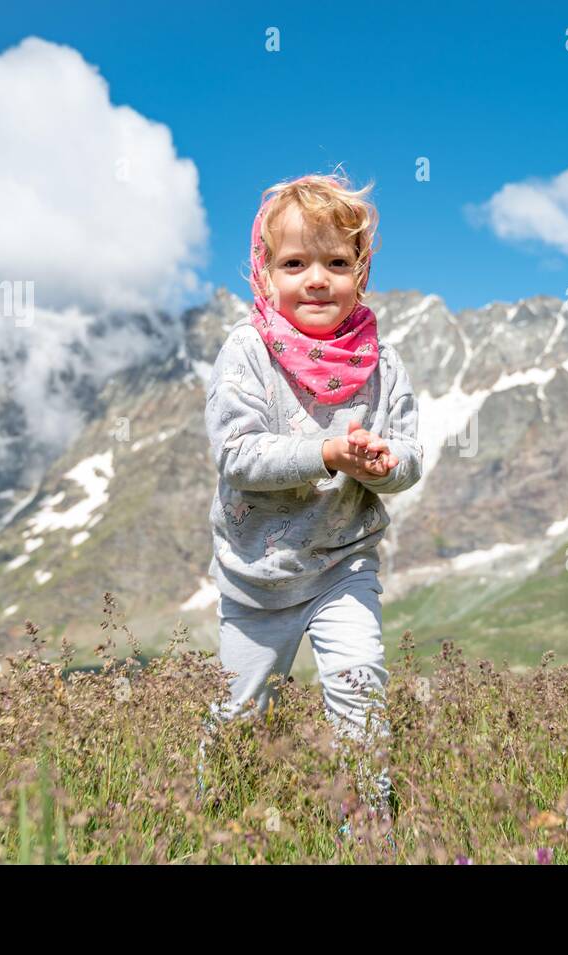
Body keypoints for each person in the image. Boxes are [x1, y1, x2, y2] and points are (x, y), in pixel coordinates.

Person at [199, 171, 422, 841]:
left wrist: (382, 464)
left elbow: (409, 455)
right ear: (263, 275)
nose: (316, 278)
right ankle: (214, 825)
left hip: (342, 565)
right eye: (295, 263)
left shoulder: (383, 364)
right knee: (240, 716)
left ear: (362, 271)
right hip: (255, 577)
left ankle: (370, 831)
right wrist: (327, 452)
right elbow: (236, 453)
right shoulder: (246, 353)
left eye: (336, 262)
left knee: (359, 688)